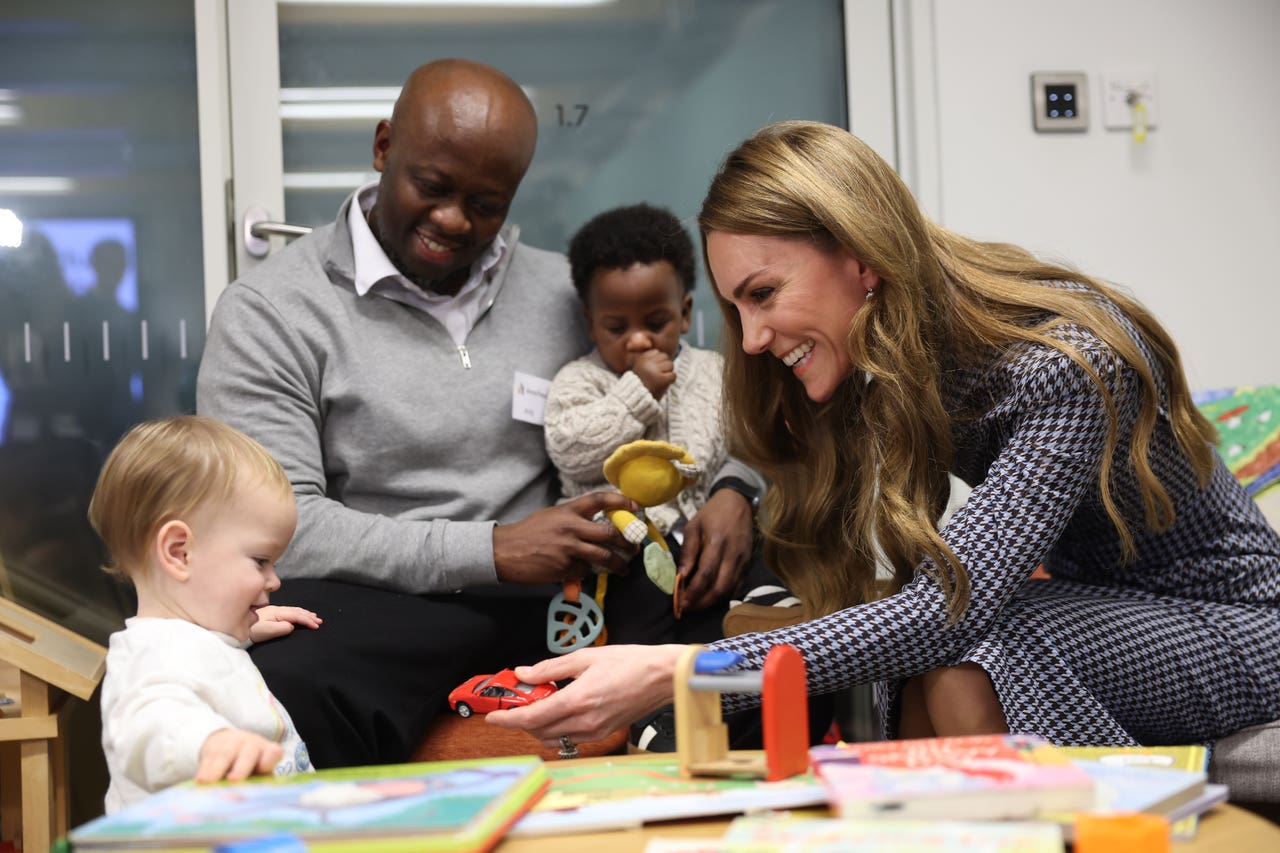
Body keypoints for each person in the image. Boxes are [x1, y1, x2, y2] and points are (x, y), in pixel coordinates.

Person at [488, 120, 1280, 754]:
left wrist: (686, 670)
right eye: (737, 309)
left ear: (861, 257)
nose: (754, 338)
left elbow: (949, 608)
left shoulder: (1067, 364)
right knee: (942, 643)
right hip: (1107, 606)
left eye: (764, 294)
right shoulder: (893, 360)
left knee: (977, 640)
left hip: (1240, 626)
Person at [197, 59, 751, 767]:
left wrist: (737, 486)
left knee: (744, 644)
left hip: (570, 585)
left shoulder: (571, 294)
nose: (454, 220)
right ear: (381, 148)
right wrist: (493, 549)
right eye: (431, 186)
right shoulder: (273, 311)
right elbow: (279, 529)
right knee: (286, 680)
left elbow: (706, 395)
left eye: (487, 203)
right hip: (386, 597)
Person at [547, 202, 788, 648]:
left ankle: (768, 607)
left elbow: (755, 445)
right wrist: (636, 392)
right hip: (628, 550)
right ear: (589, 322)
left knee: (766, 548)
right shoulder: (579, 380)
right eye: (616, 327)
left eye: (656, 322)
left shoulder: (716, 372)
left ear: (683, 312)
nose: (638, 339)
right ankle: (656, 715)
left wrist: (733, 494)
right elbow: (571, 450)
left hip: (710, 540)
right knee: (643, 633)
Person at [88, 415, 321, 813]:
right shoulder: (149, 657)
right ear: (179, 552)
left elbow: (203, 658)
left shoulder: (190, 635)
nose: (275, 580)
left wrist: (247, 628)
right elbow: (151, 724)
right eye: (261, 560)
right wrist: (210, 741)